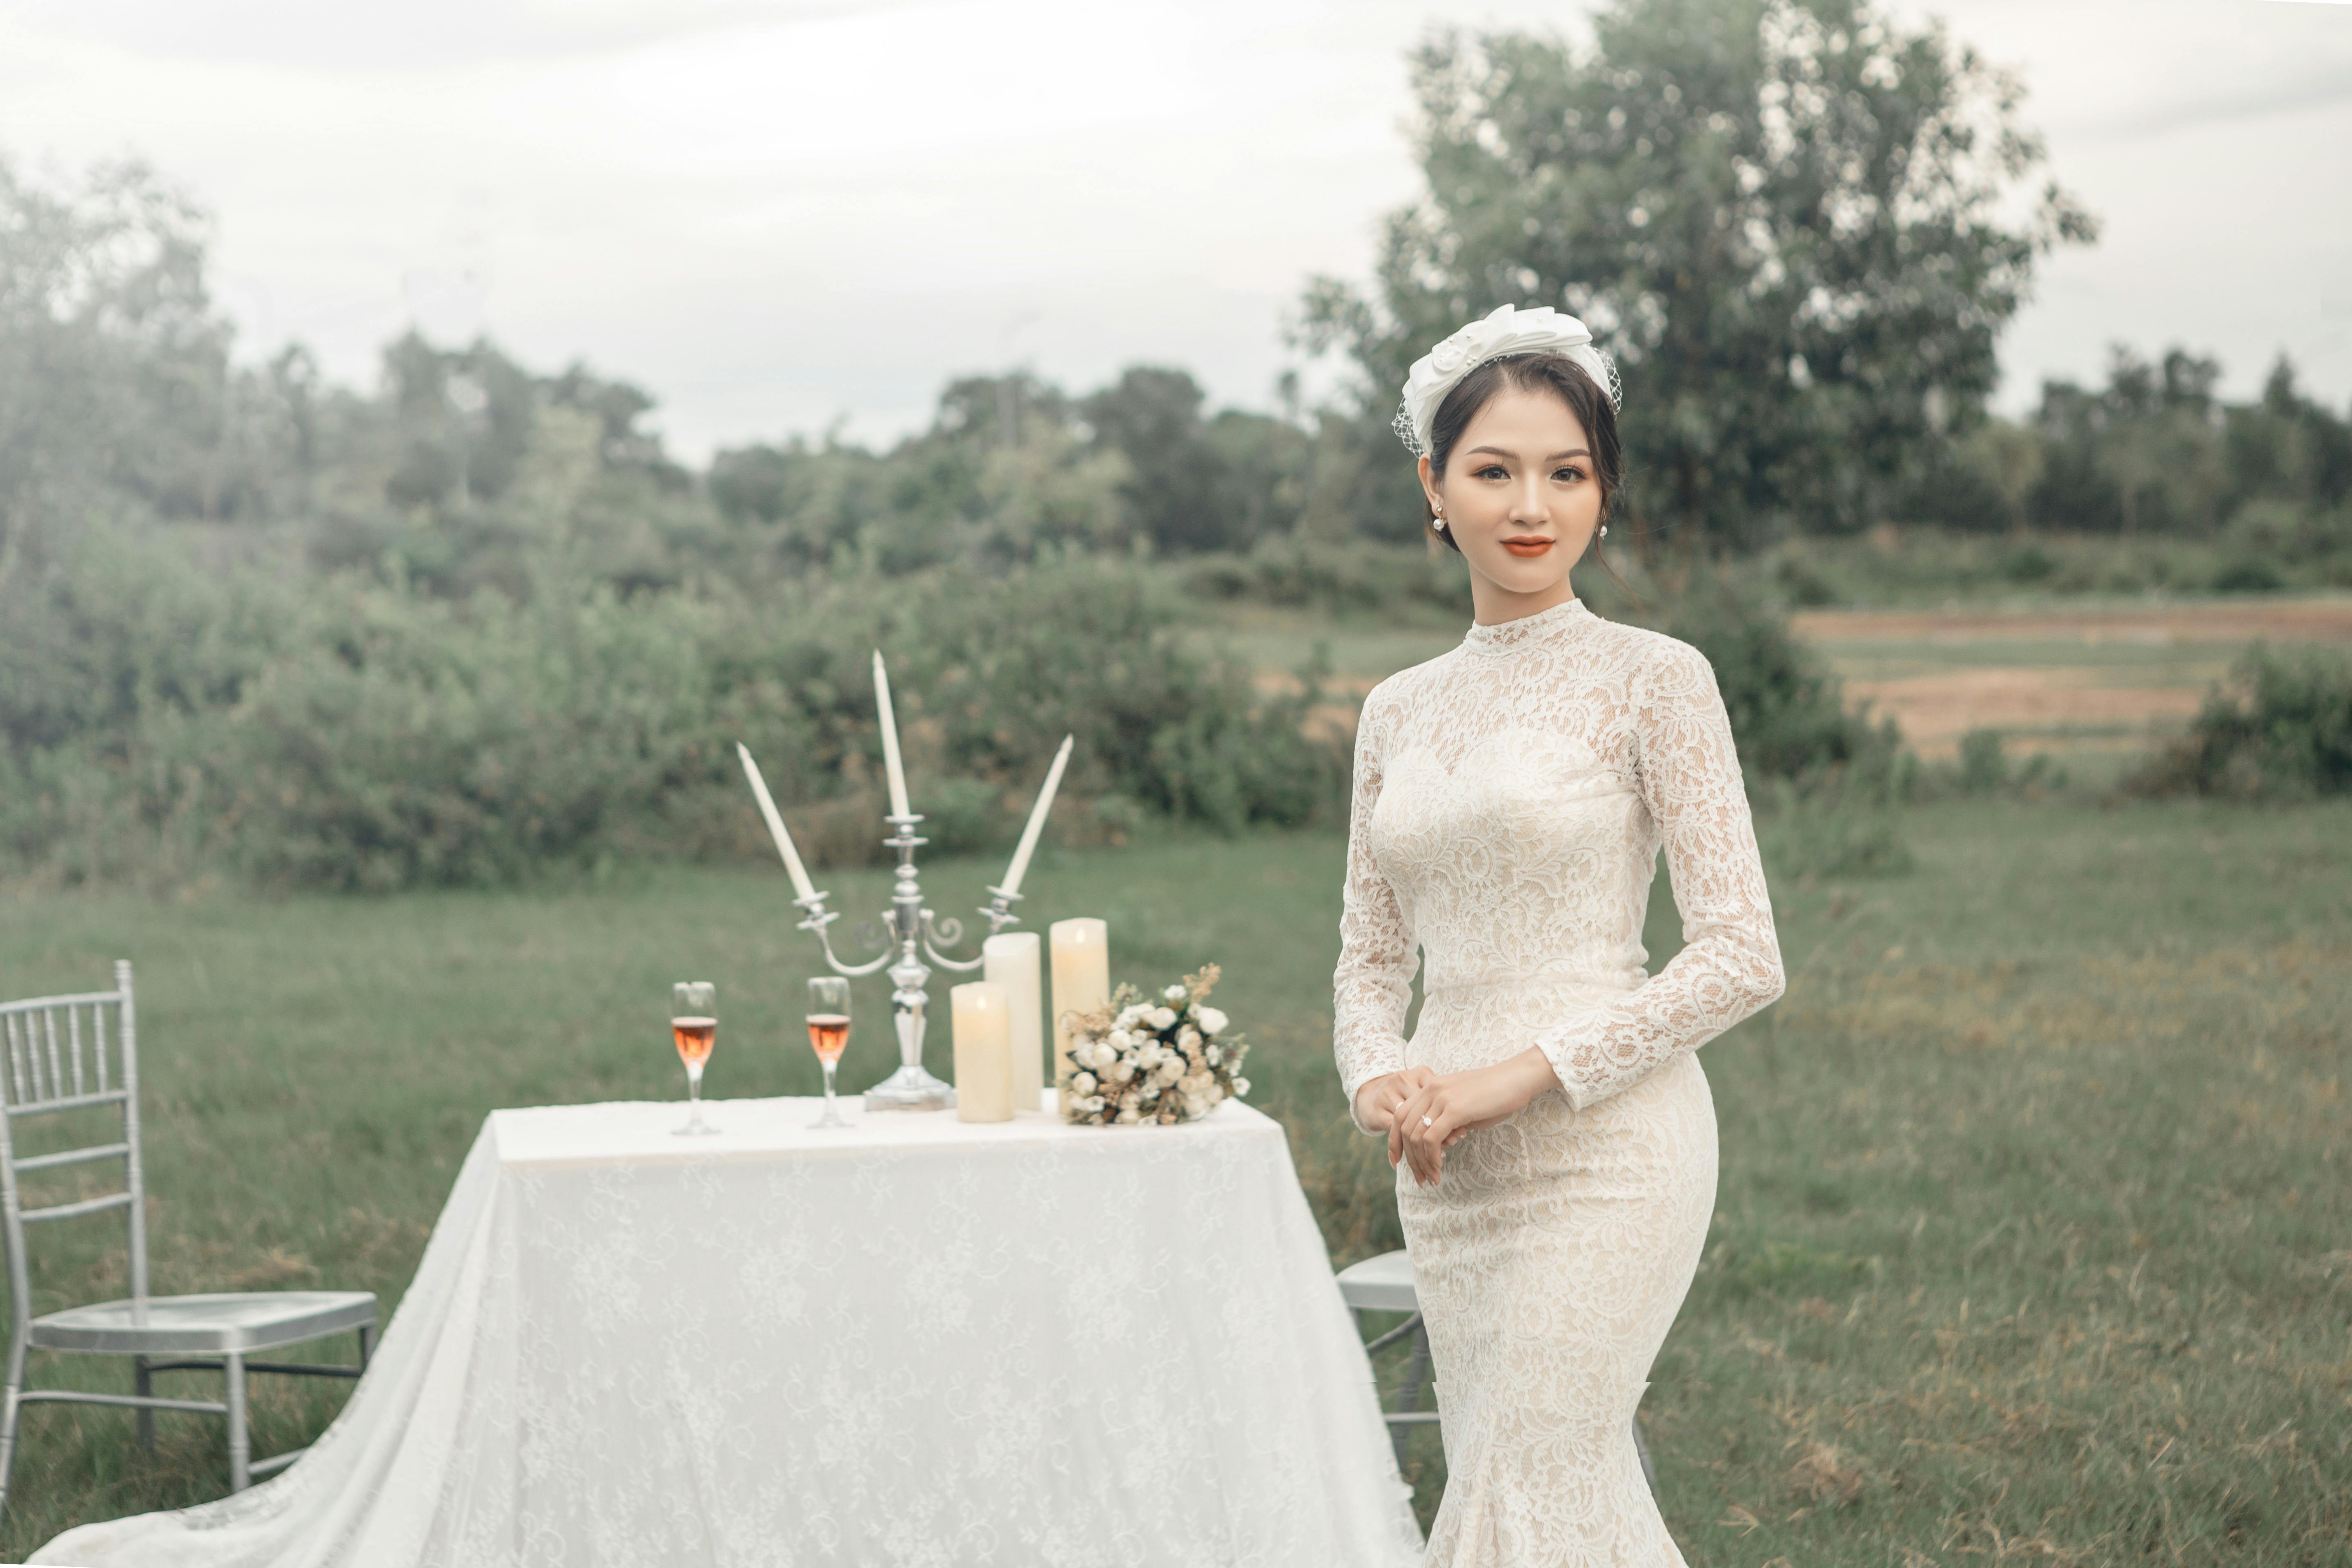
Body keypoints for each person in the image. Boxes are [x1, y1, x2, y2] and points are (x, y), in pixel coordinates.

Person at [1334, 304, 1786, 1566]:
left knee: (1521, 1488)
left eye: (1567, 472)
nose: (1532, 503)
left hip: (1610, 1150)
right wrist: (1385, 1087)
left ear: (1602, 491)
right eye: (1494, 470)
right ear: (1434, 488)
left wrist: (1513, 1079)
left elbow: (1744, 953)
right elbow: (1369, 960)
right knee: (1536, 1497)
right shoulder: (1395, 711)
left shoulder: (1657, 676)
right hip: (1450, 1175)